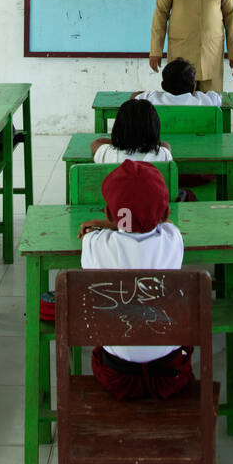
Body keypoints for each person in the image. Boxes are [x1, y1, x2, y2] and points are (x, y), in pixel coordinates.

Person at [77, 160, 193, 399]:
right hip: (169, 374)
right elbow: (167, 223)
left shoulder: (96, 245)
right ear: (166, 212)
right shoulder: (172, 240)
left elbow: (88, 233)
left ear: (109, 212)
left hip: (116, 376)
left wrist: (102, 224)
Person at [90, 99, 173, 164]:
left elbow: (96, 143)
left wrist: (121, 141)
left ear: (118, 127)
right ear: (155, 127)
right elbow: (166, 146)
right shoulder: (163, 155)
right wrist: (149, 142)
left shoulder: (107, 153)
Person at [134, 56, 222, 107]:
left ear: (163, 86)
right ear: (194, 87)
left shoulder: (151, 99)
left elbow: (134, 98)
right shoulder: (206, 101)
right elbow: (218, 98)